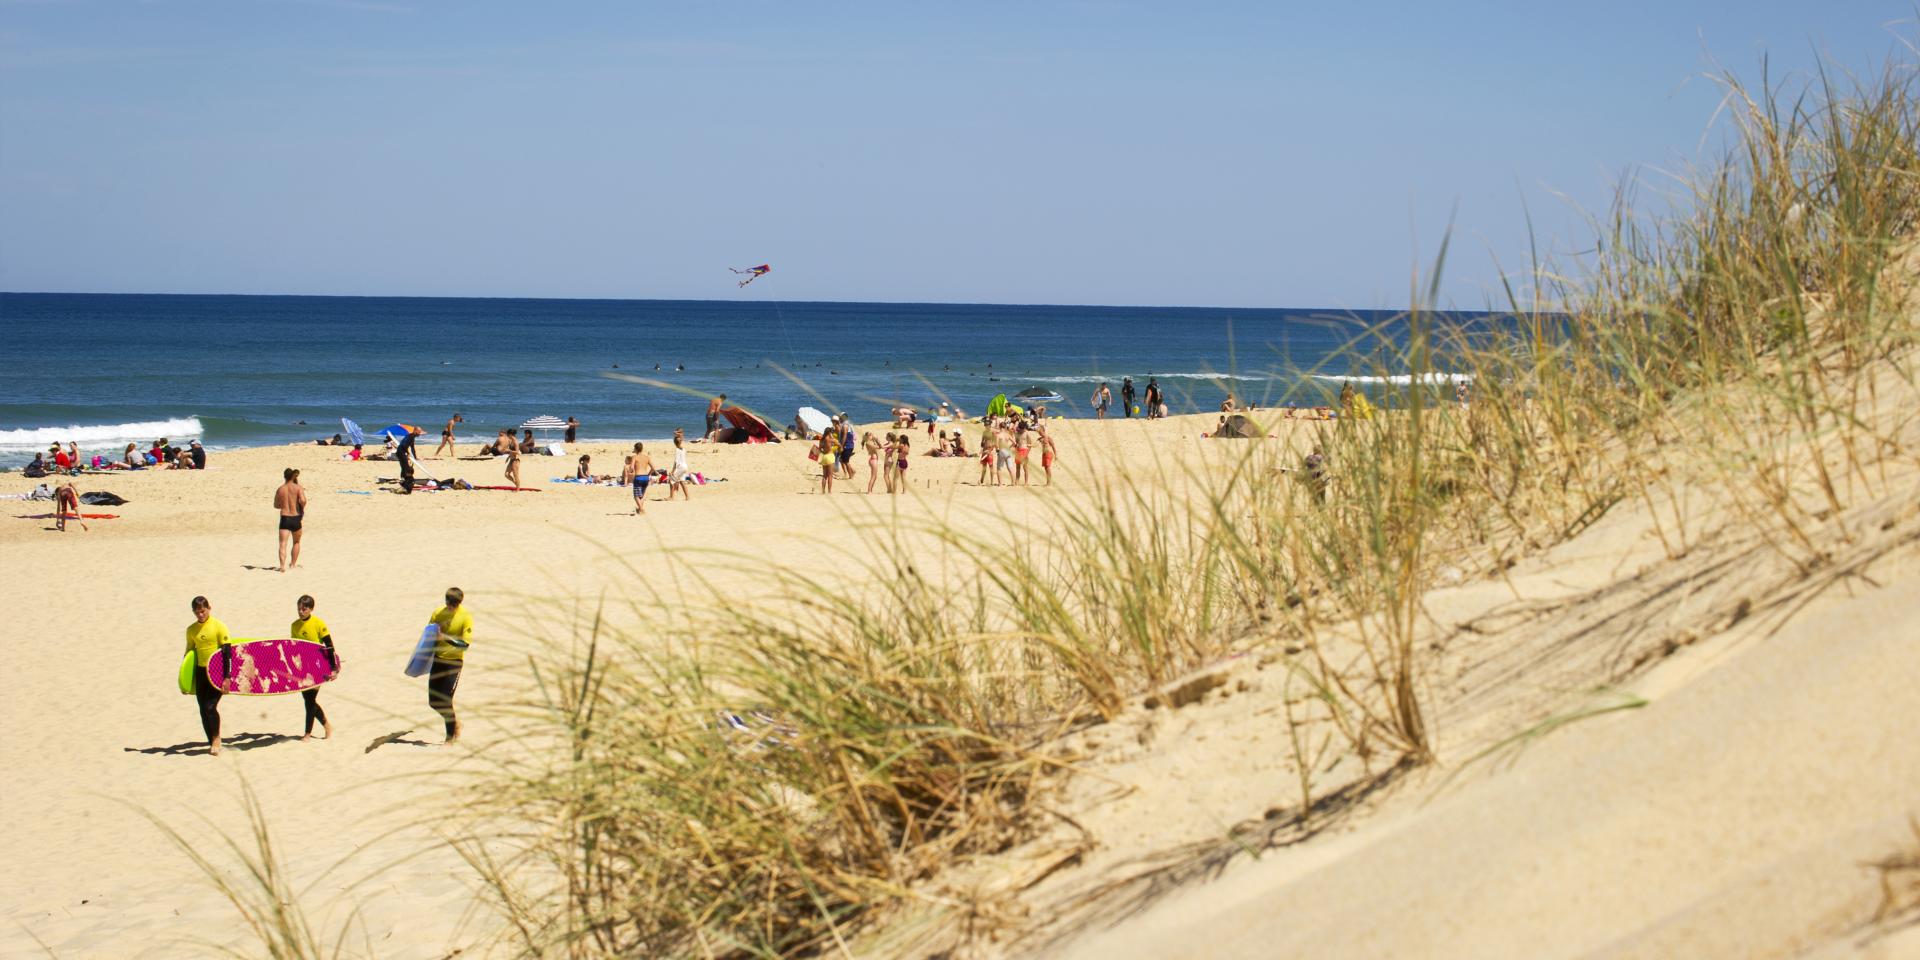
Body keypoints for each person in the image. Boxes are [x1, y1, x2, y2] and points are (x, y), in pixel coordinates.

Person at [184, 596, 233, 755]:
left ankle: (217, 738)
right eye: (197, 612)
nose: (200, 615)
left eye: (203, 611)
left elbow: (227, 653)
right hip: (200, 673)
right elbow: (189, 655)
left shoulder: (219, 626)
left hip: (217, 671)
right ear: (193, 612)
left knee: (210, 706)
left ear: (209, 608)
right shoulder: (191, 630)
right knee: (202, 708)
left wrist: (227, 677)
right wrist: (185, 683)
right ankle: (211, 741)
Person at [426, 587, 473, 744]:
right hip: (438, 660)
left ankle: (449, 737)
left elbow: (464, 645)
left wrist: (444, 637)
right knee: (433, 702)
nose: (450, 605)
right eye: (448, 602)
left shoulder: (465, 617)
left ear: (459, 603)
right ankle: (455, 724)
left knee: (445, 700)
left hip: (454, 663)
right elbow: (428, 635)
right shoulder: (438, 613)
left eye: (454, 603)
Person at [289, 594, 336, 741]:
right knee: (308, 699)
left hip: (317, 666)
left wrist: (333, 668)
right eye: (299, 608)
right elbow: (293, 648)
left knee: (309, 700)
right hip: (303, 667)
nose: (301, 611)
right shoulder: (294, 625)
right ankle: (327, 725)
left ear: (311, 609)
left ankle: (307, 733)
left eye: (304, 609)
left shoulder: (318, 624)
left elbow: (329, 646)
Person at [275, 468, 308, 570]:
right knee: (296, 542)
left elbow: (276, 505)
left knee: (282, 544)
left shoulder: (280, 489)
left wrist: (283, 504)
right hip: (295, 518)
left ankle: (281, 566)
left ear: (284, 476)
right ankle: (293, 565)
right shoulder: (298, 488)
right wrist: (301, 506)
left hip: (285, 518)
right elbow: (303, 500)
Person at [621, 442, 653, 514]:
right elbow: (653, 468)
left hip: (638, 477)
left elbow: (632, 467)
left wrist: (629, 471)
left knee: (636, 496)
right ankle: (639, 509)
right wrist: (648, 475)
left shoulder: (634, 457)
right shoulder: (647, 457)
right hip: (645, 477)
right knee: (642, 495)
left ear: (635, 449)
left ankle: (641, 509)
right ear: (642, 449)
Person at [667, 432, 693, 501]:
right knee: (682, 481)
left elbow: (676, 462)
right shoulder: (683, 449)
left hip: (680, 467)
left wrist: (672, 471)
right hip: (685, 466)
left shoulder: (677, 450)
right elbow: (681, 438)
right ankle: (687, 496)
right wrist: (678, 435)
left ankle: (671, 497)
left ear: (674, 443)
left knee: (671, 480)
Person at [397, 426, 420, 493]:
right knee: (407, 469)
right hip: (401, 452)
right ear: (415, 431)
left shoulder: (410, 436)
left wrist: (411, 455)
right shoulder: (411, 437)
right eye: (419, 432)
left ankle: (403, 482)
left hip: (400, 452)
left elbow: (409, 446)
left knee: (404, 468)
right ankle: (405, 484)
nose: (420, 434)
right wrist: (408, 454)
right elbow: (405, 446)